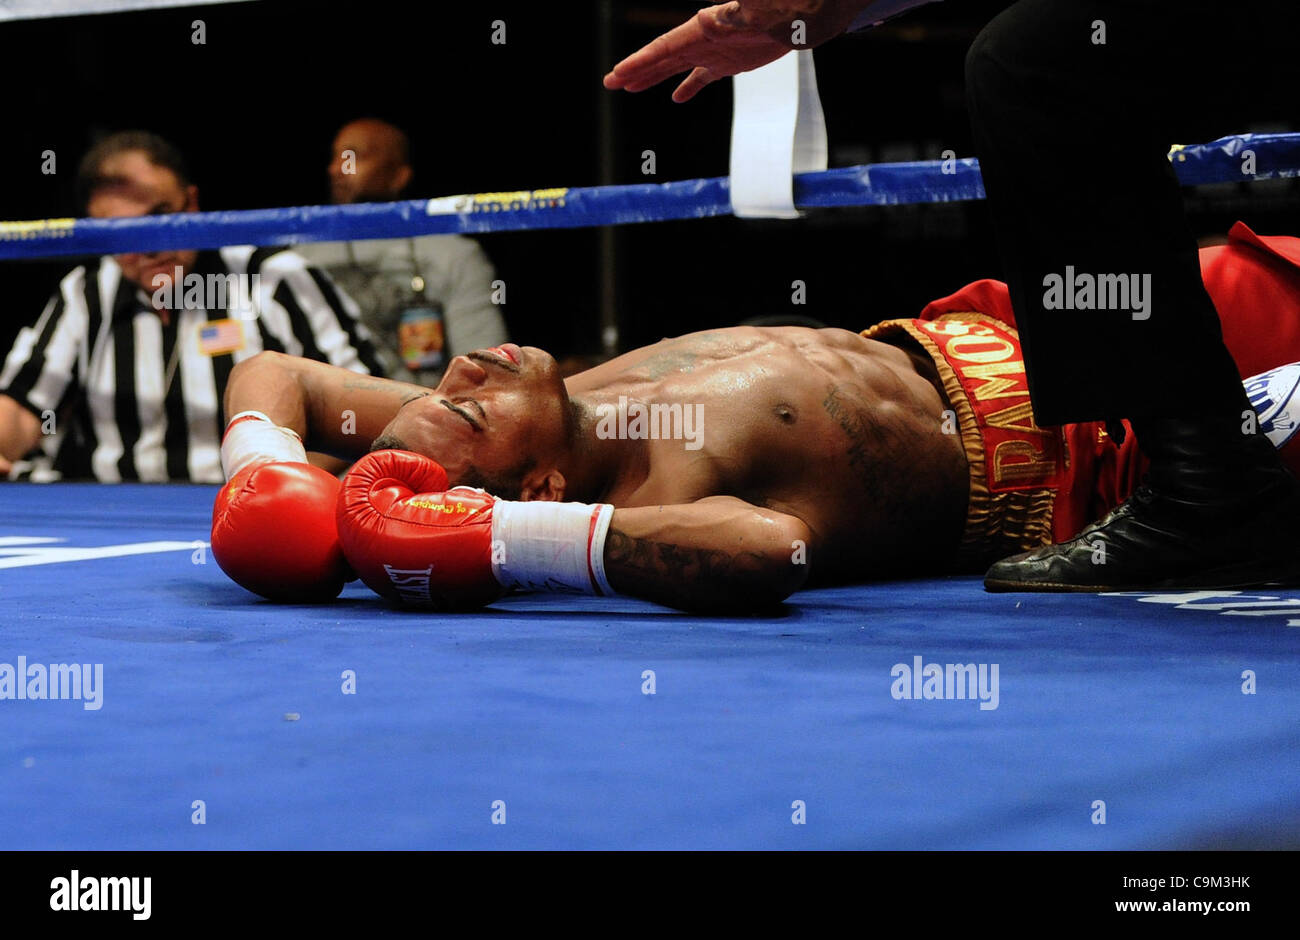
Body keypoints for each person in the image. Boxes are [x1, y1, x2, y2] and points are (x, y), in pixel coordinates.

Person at [210, 221, 1300, 610]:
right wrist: (504, 544)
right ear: (537, 487)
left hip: (1028, 333)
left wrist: (262, 474)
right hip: (1100, 460)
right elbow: (771, 551)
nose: (460, 370)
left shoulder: (535, 409)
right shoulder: (658, 493)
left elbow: (275, 370)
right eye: (465, 405)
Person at [601, 0, 1300, 593]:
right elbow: (766, 548)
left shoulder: (577, 393)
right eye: (480, 410)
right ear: (535, 485)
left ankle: (1209, 486)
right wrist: (530, 536)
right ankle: (1208, 484)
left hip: (1047, 349)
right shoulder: (635, 480)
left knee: (1041, 57)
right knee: (1043, 57)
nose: (485, 364)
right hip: (1096, 434)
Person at [0, 131, 385, 483]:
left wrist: (274, 487)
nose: (148, 247)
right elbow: (21, 406)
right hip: (111, 513)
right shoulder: (85, 293)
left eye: (160, 218)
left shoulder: (273, 278)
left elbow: (364, 417)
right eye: (122, 232)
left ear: (193, 204)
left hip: (255, 503)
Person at [294, 118, 509, 387]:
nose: (336, 169)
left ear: (399, 175)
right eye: (335, 157)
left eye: (354, 156)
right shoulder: (300, 260)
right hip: (330, 417)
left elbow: (483, 371)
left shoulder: (454, 255)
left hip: (431, 413)